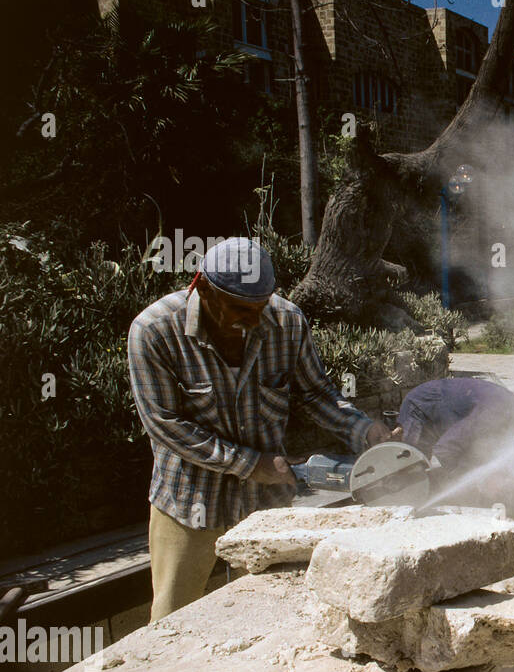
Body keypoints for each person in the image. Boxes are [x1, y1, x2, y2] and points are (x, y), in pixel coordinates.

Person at [127, 237, 399, 621]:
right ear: (202, 287)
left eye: (260, 307)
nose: (254, 321)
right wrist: (250, 464)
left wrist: (365, 431)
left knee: (270, 616)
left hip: (265, 506)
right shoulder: (154, 331)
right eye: (240, 309)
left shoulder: (285, 321)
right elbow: (166, 425)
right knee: (171, 621)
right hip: (189, 504)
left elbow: (316, 394)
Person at [397, 377, 514, 514]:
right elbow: (446, 449)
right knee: (412, 476)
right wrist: (480, 481)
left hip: (453, 410)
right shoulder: (495, 413)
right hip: (420, 409)